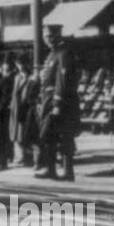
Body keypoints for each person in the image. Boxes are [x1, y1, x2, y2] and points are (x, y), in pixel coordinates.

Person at [35, 24, 79, 181]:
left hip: (60, 103)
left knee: (64, 136)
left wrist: (57, 104)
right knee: (50, 137)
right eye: (46, 37)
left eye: (51, 36)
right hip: (48, 101)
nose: (48, 40)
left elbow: (63, 80)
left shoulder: (64, 54)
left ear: (58, 36)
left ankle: (67, 171)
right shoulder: (52, 55)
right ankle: (51, 169)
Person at [10, 56, 39, 167]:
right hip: (17, 108)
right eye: (18, 64)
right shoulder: (17, 77)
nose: (20, 66)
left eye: (22, 64)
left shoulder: (32, 77)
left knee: (26, 133)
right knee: (17, 133)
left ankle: (29, 158)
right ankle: (22, 156)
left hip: (27, 108)